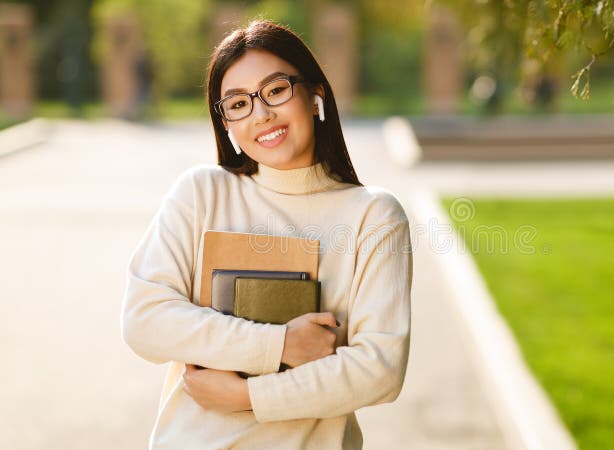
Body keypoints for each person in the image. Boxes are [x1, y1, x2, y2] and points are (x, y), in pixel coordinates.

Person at [121, 19, 413, 450]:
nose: (261, 114)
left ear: (316, 95)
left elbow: (380, 369)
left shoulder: (373, 216)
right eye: (237, 104)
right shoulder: (202, 193)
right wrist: (279, 344)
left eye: (276, 90)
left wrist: (249, 396)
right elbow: (145, 322)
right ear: (227, 125)